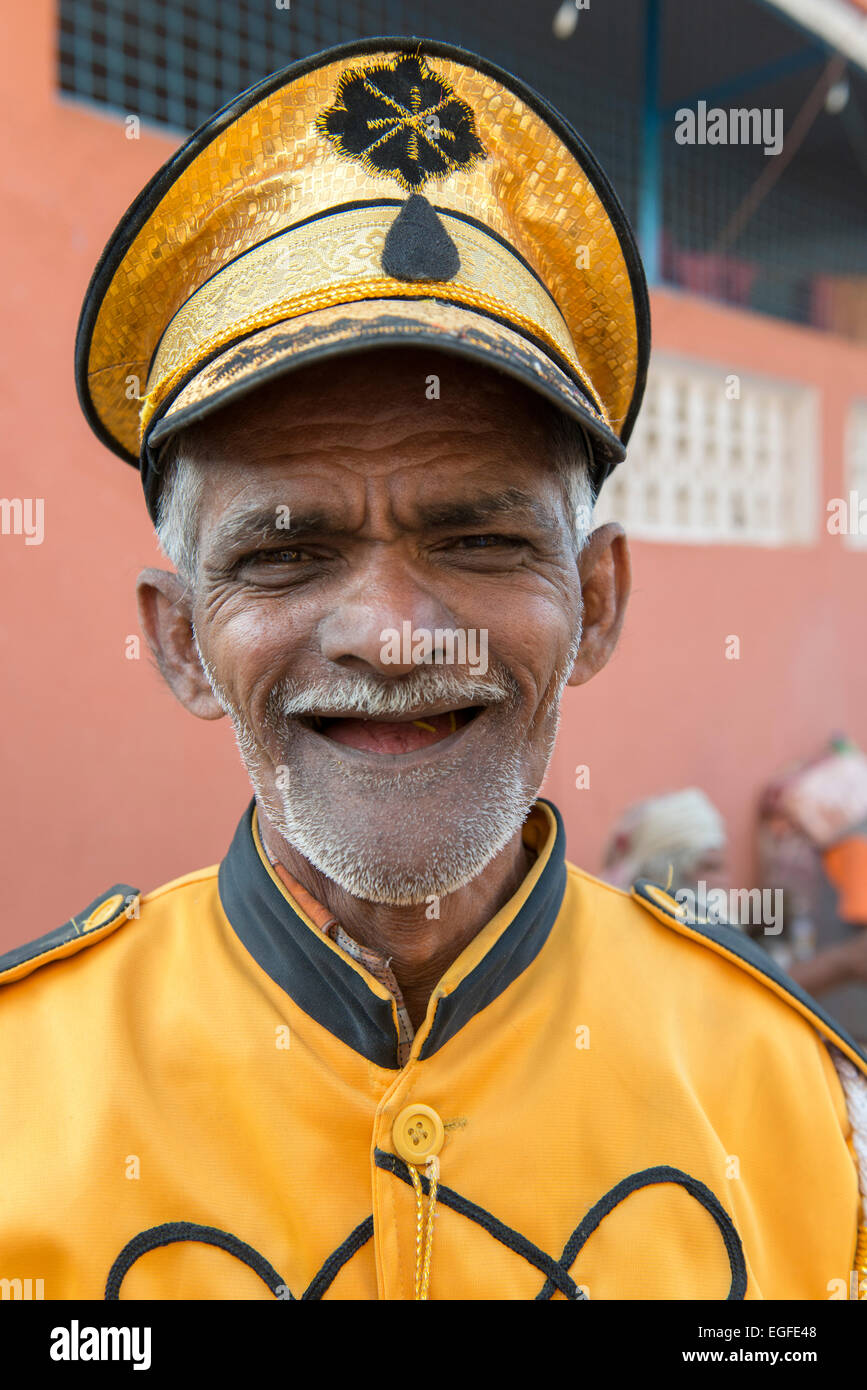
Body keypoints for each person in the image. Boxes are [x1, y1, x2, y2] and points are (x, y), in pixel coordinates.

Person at [2, 36, 866, 1301]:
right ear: (182, 640)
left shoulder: (792, 1105)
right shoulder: (24, 1099)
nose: (397, 635)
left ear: (599, 600)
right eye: (290, 553)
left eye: (478, 539)